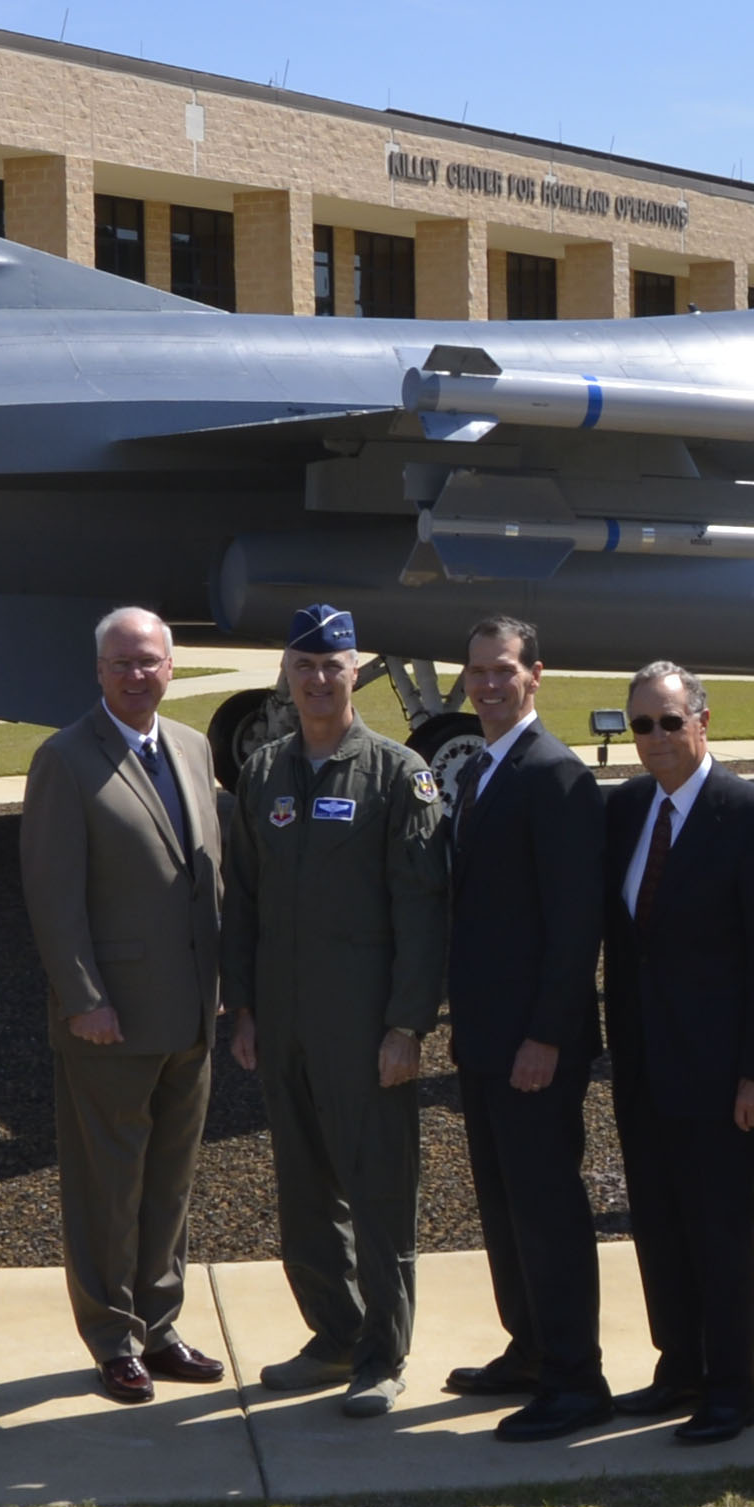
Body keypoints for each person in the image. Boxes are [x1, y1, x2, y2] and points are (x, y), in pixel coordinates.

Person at [224, 605, 451, 1417]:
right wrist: (242, 1007)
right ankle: (333, 1334)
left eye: (333, 665)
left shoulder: (396, 774)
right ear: (286, 676)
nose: (318, 680)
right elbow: (242, 899)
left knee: (379, 1187)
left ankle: (383, 1355)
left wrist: (407, 1025)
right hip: (281, 1019)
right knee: (304, 1187)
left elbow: (422, 908)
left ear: (355, 671)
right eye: (303, 666)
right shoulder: (263, 772)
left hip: (364, 1022)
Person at [20, 606, 230, 1405]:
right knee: (108, 1185)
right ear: (98, 671)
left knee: (170, 1182)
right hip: (109, 1021)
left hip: (189, 1014)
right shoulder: (65, 759)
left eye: (148, 661)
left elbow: (204, 875)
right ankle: (112, 1336)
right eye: (120, 663)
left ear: (170, 666)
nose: (136, 674)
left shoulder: (190, 745)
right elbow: (51, 895)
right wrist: (82, 999)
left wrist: (223, 989)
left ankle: (162, 1322)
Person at [600, 661, 754, 1446]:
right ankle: (677, 1364)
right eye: (640, 725)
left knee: (717, 1227)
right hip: (642, 1061)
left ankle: (730, 1385)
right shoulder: (624, 812)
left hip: (723, 1072)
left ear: (702, 722)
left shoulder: (750, 812)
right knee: (656, 1220)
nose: (655, 739)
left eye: (669, 722)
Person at [441, 615, 613, 1442]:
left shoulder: (553, 775)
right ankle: (531, 1348)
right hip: (483, 1038)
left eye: (502, 670)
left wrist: (547, 1034)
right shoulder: (482, 767)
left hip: (533, 1046)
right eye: (476, 671)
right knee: (503, 1205)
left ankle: (576, 1376)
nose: (487, 684)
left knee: (546, 1208)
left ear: (534, 675)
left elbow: (575, 924)